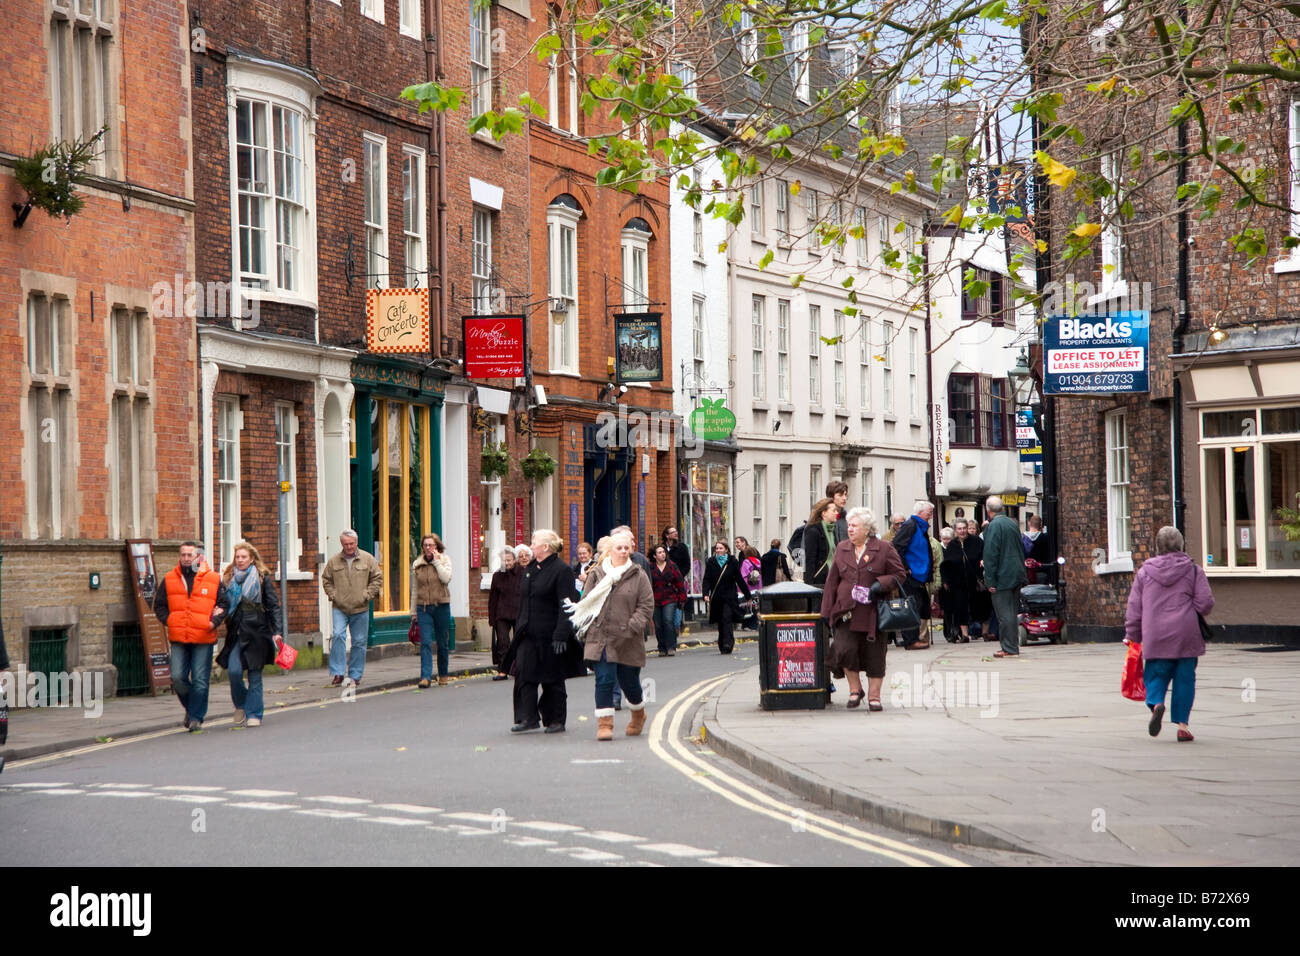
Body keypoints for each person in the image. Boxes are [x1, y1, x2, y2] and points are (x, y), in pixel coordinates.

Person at [1125, 526, 1214, 742]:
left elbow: (1135, 607)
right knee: (1185, 679)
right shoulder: (1194, 570)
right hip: (1186, 633)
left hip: (1155, 633)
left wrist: (1132, 634)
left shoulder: (1145, 572)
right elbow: (1205, 604)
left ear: (1158, 546)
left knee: (1155, 674)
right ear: (1181, 544)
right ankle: (1183, 725)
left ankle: (1156, 704)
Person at [566, 530, 655, 740]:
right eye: (619, 548)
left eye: (627, 548)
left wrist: (632, 627)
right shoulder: (597, 574)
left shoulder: (638, 574)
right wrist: (590, 627)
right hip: (601, 637)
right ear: (610, 551)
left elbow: (646, 606)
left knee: (629, 682)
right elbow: (586, 602)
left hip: (628, 639)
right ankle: (605, 724)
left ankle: (638, 715)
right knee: (604, 680)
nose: (623, 551)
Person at [821, 508, 907, 710]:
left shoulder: (884, 548)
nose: (849, 529)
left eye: (854, 526)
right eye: (849, 525)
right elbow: (832, 582)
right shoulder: (842, 548)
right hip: (846, 611)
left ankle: (874, 697)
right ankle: (855, 689)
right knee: (844, 650)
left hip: (873, 613)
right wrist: (826, 612)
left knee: (875, 655)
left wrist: (880, 583)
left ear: (867, 529)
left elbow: (899, 574)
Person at [503, 530, 583, 733]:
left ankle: (555, 719)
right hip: (527, 633)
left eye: (534, 543)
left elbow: (566, 605)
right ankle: (526, 718)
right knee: (523, 674)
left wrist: (561, 634)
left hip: (551, 634)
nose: (530, 546)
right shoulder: (530, 568)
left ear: (545, 547)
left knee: (552, 677)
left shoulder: (561, 570)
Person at [155, 541, 228, 733]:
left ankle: (196, 718)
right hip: (179, 636)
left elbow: (224, 604)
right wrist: (170, 620)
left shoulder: (213, 579)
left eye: (190, 555)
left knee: (200, 679)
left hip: (203, 637)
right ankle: (192, 707)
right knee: (177, 677)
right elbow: (159, 605)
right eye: (183, 555)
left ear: (198, 557)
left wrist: (213, 622)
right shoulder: (170, 578)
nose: (186, 558)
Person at [217, 541, 283, 728]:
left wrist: (277, 631)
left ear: (252, 559)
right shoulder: (228, 579)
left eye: (244, 557)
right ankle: (241, 705)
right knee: (234, 671)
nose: (240, 560)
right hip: (236, 631)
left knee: (255, 675)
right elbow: (223, 602)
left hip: (257, 631)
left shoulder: (262, 578)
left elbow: (273, 606)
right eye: (237, 557)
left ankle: (254, 713)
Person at [321, 530, 382, 688]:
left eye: (351, 543)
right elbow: (326, 579)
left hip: (361, 607)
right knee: (338, 636)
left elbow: (377, 578)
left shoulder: (368, 559)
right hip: (339, 607)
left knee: (359, 642)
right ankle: (338, 672)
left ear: (356, 542)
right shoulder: (334, 561)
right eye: (346, 544)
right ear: (342, 544)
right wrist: (333, 595)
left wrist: (367, 595)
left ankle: (354, 675)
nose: (349, 547)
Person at [982, 495, 1028, 658]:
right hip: (1016, 574)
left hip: (1002, 577)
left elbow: (990, 555)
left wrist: (990, 581)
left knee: (1004, 614)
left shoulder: (993, 526)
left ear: (988, 510)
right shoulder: (1012, 523)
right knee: (1012, 612)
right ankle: (1012, 645)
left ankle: (1009, 648)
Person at [890, 501, 936, 650]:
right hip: (911, 575)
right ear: (920, 513)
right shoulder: (911, 526)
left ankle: (913, 638)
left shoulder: (919, 527)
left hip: (919, 574)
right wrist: (905, 567)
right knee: (911, 606)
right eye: (929, 513)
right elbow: (896, 547)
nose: (930, 516)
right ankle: (910, 640)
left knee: (919, 606)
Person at [411, 533, 453, 688]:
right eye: (425, 545)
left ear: (436, 546)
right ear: (422, 547)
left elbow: (446, 578)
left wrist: (436, 562)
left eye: (431, 545)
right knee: (425, 643)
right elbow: (415, 589)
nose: (428, 548)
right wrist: (413, 612)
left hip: (441, 605)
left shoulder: (444, 560)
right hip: (423, 608)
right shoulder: (417, 564)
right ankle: (425, 677)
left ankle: (443, 674)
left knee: (442, 643)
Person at [701, 539, 751, 654]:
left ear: (726, 550)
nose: (718, 550)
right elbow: (707, 579)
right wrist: (705, 594)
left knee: (727, 618)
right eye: (717, 548)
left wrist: (747, 595)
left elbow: (739, 579)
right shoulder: (711, 562)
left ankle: (728, 643)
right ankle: (722, 642)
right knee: (721, 621)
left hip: (729, 597)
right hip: (716, 597)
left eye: (721, 548)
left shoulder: (732, 561)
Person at [942, 519, 988, 643]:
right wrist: (945, 580)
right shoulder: (952, 545)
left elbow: (984, 555)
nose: (962, 531)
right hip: (958, 582)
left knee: (981, 605)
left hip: (976, 581)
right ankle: (964, 635)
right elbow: (946, 564)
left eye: (964, 528)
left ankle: (985, 632)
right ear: (955, 530)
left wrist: (983, 561)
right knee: (960, 606)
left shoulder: (977, 541)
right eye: (959, 529)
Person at [488, 548, 521, 681]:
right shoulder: (497, 576)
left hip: (518, 612)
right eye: (504, 560)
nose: (506, 563)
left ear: (514, 560)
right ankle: (503, 670)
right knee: (502, 642)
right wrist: (492, 617)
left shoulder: (522, 573)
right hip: (502, 613)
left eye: (509, 560)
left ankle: (519, 668)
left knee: (519, 642)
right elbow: (493, 598)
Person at [650, 544, 687, 656]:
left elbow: (679, 582)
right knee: (658, 624)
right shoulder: (651, 567)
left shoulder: (672, 566)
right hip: (655, 599)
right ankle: (662, 647)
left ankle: (671, 646)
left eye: (663, 552)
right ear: (654, 556)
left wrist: (682, 597)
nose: (662, 554)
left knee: (667, 620)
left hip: (670, 598)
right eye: (659, 552)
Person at [802, 498, 840, 588]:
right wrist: (809, 587)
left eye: (837, 511)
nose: (836, 513)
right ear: (824, 513)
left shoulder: (833, 530)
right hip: (819, 582)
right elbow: (809, 561)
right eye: (833, 510)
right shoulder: (813, 531)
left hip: (833, 578)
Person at [739, 545, 763, 628]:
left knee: (747, 606)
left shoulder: (746, 562)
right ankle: (754, 624)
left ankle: (747, 625)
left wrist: (740, 588)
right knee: (756, 606)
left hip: (748, 587)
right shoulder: (758, 561)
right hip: (758, 586)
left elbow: (743, 576)